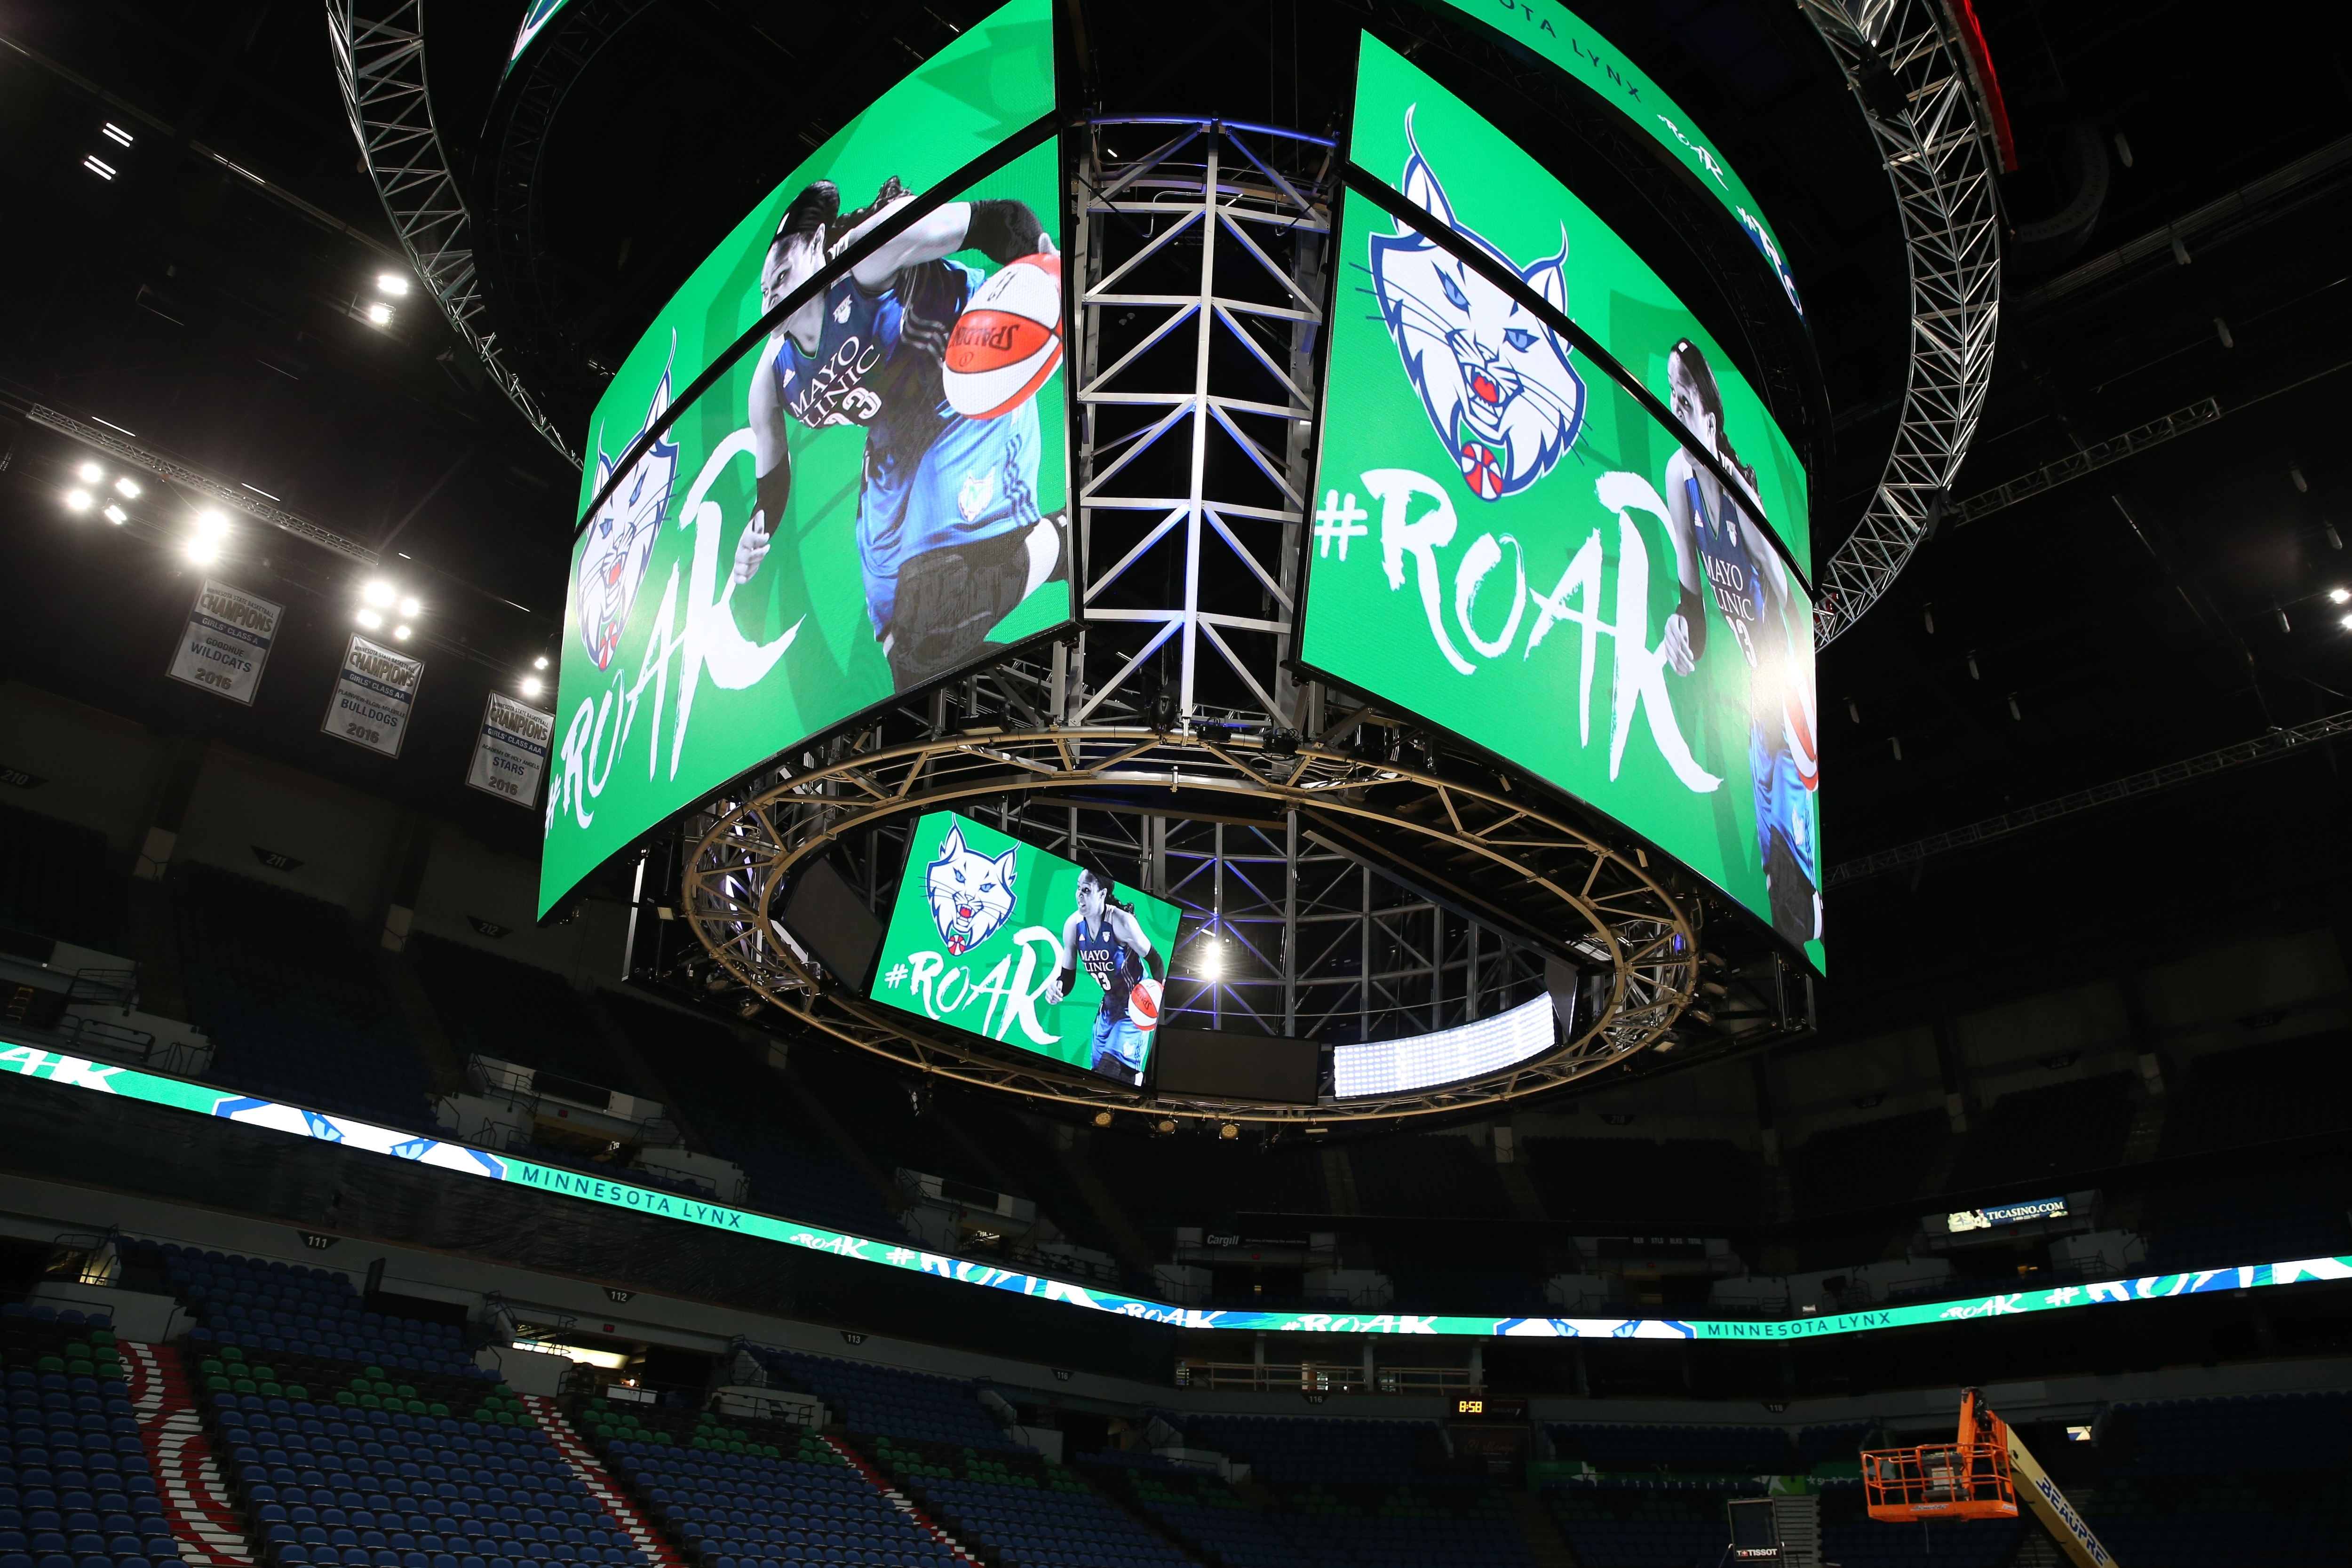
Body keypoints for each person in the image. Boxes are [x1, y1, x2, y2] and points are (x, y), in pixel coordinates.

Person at [729, 175, 1066, 692]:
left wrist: (1044, 269)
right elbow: (773, 474)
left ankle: (1067, 540)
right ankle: (1032, 702)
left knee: (933, 611)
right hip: (894, 439)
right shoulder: (771, 376)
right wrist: (761, 523)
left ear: (817, 249)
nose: (771, 294)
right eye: (765, 288)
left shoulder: (869, 254)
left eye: (781, 275)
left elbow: (999, 219)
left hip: (960, 378)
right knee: (902, 657)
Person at [1656, 340, 1822, 948]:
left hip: (1782, 684)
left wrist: (1784, 711)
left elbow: (1785, 607)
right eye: (1670, 390)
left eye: (1685, 394)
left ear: (1710, 416)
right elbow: (1693, 606)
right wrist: (1680, 633)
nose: (1673, 402)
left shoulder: (1741, 500)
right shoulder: (1679, 476)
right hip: (1756, 692)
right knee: (1770, 873)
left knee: (1793, 865)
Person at [1043, 865, 1162, 1084]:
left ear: (1102, 894)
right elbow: (1067, 978)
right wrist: (1057, 987)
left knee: (1109, 1075)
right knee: (1095, 1077)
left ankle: (1136, 1084)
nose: (1080, 895)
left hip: (1134, 1006)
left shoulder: (1122, 922)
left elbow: (1156, 960)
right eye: (1078, 889)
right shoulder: (1073, 926)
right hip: (1108, 1008)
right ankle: (1136, 1078)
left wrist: (1157, 998)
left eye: (1086, 890)